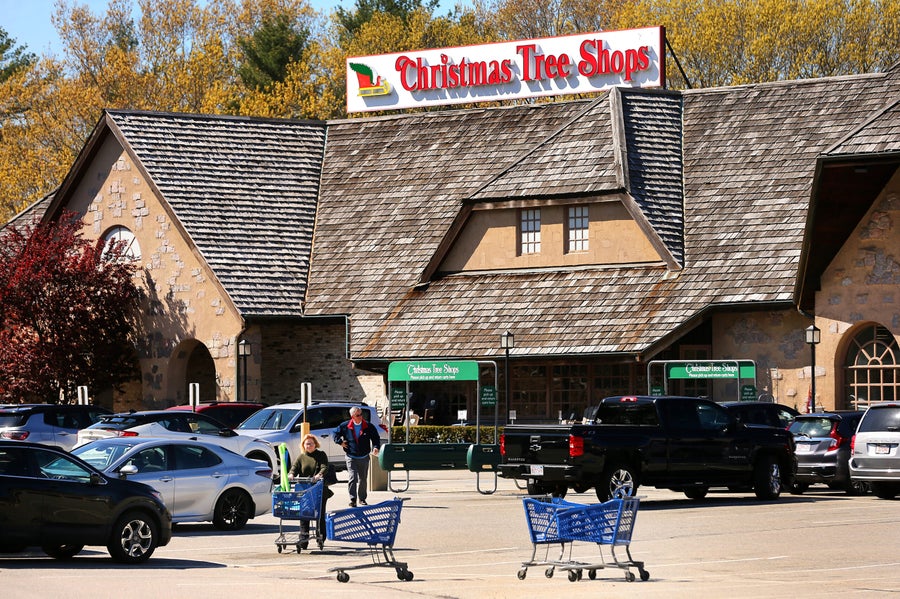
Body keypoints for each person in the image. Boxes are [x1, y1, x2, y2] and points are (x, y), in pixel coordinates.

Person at [288, 433, 333, 549]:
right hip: (305, 491)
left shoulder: (321, 455)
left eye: (311, 444)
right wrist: (291, 474)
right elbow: (294, 467)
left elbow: (324, 467)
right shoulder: (301, 457)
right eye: (307, 444)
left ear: (315, 444)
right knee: (304, 514)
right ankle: (304, 539)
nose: (309, 446)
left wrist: (319, 475)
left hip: (319, 490)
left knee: (319, 515)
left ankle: (321, 537)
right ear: (303, 445)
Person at [332, 405, 381, 507]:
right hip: (351, 456)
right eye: (358, 415)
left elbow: (376, 438)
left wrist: (376, 447)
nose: (361, 416)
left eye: (361, 414)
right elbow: (335, 434)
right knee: (352, 477)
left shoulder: (368, 426)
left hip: (364, 456)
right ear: (352, 416)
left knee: (363, 479)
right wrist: (340, 442)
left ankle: (362, 499)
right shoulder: (345, 426)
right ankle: (353, 499)